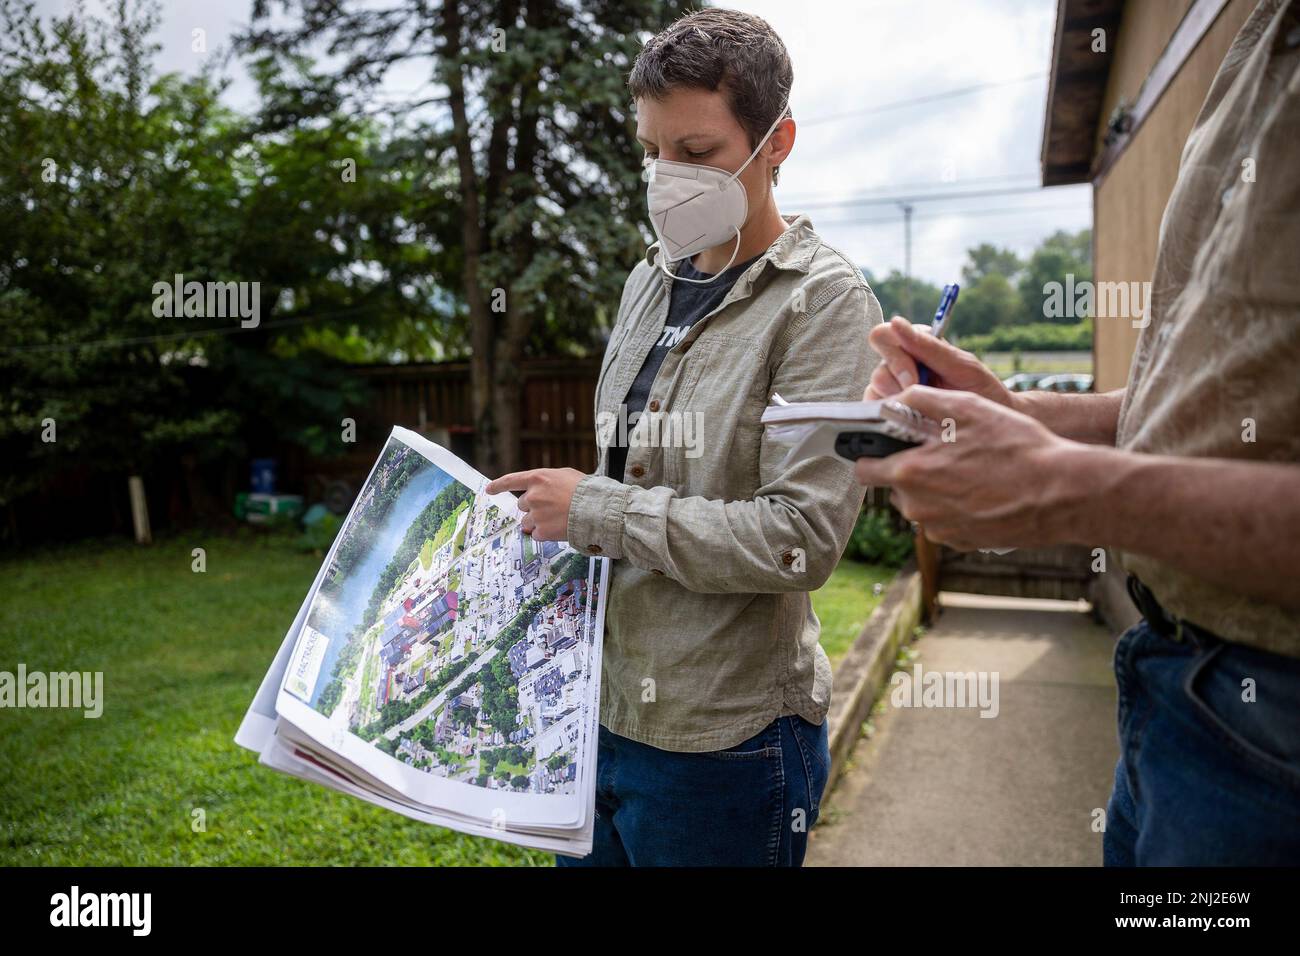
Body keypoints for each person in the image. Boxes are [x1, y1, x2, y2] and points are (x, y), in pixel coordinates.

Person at [855, 0, 1300, 865]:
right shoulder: (1258, 35)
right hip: (1174, 700)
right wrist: (1019, 414)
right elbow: (1207, 404)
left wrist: (1058, 486)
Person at [485, 8, 881, 866]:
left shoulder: (827, 305)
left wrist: (595, 509)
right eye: (651, 152)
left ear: (776, 143)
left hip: (725, 744)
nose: (667, 177)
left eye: (695, 154)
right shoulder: (646, 279)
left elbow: (801, 540)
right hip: (599, 713)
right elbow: (622, 471)